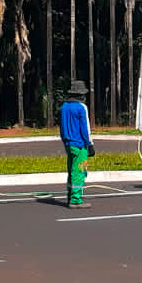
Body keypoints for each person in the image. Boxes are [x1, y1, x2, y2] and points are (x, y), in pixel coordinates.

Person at [59, 81, 95, 209]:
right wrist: (89, 144)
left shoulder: (64, 107)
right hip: (79, 144)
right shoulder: (81, 108)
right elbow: (85, 128)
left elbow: (61, 127)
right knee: (80, 171)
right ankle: (75, 199)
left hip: (68, 144)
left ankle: (70, 195)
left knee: (71, 170)